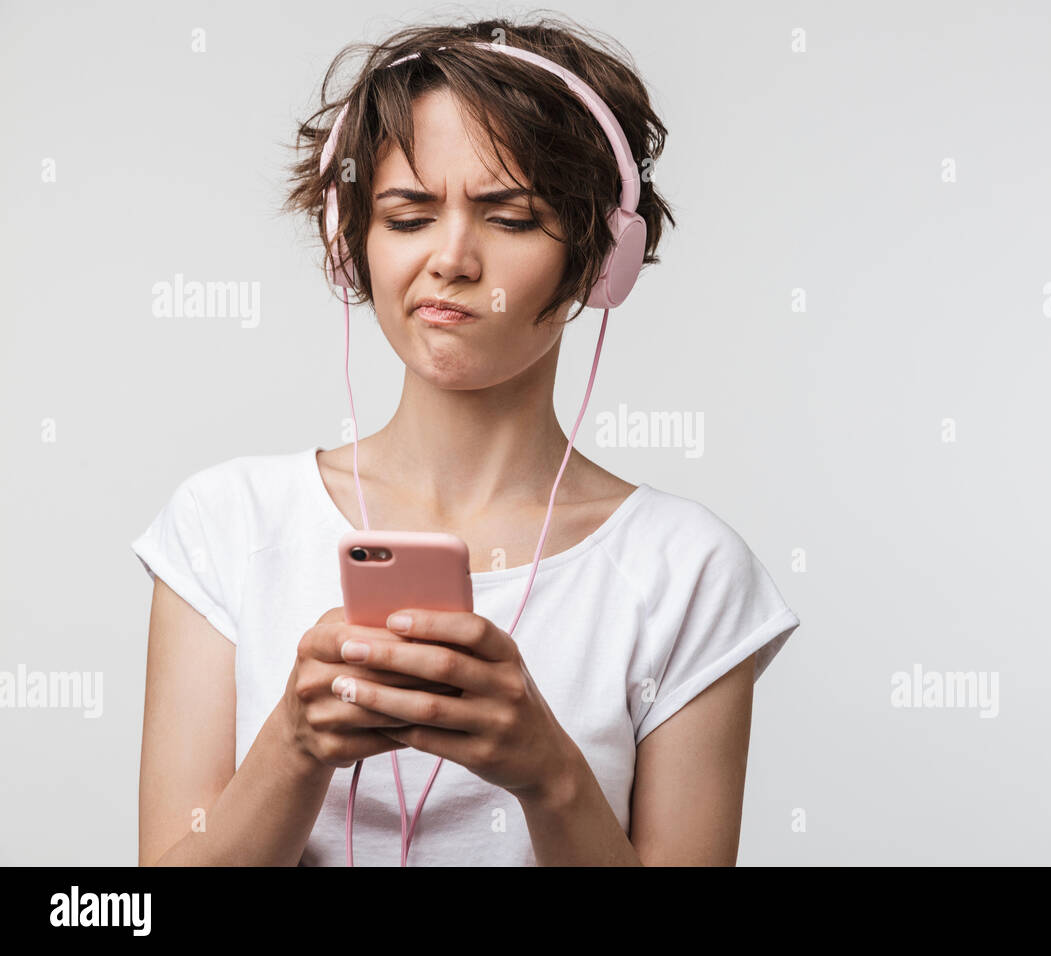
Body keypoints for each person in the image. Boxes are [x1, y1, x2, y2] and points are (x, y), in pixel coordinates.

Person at [131, 15, 800, 866]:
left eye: (511, 218)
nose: (450, 258)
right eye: (407, 216)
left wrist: (547, 772)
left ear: (601, 257)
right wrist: (293, 748)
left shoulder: (688, 569)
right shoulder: (224, 524)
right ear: (351, 242)